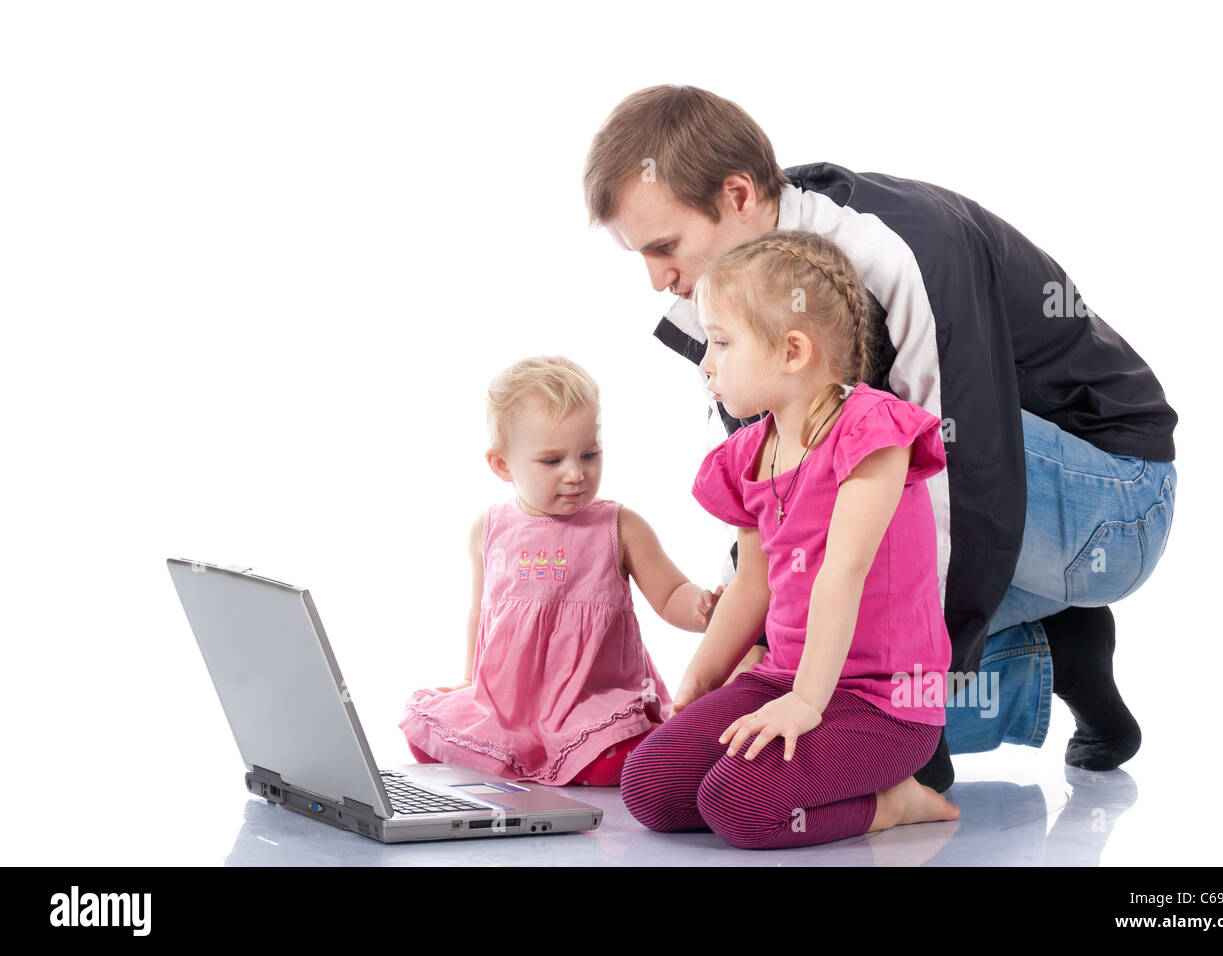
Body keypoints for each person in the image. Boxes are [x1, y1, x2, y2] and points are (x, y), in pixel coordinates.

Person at [583, 85, 1178, 790]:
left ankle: (966, 692)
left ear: (738, 194)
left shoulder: (900, 250)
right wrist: (751, 647)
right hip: (980, 503)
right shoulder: (725, 291)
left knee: (851, 666)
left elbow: (964, 476)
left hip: (1112, 498)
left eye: (664, 247)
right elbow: (777, 494)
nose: (657, 280)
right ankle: (1057, 654)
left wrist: (919, 710)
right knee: (791, 686)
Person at [621, 229, 960, 850]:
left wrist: (807, 703)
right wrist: (699, 683)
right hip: (784, 678)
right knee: (650, 784)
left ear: (793, 350)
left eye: (721, 342)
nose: (707, 363)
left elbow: (842, 572)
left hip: (882, 702)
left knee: (740, 808)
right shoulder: (746, 454)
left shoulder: (872, 431)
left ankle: (892, 802)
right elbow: (753, 585)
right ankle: (798, 768)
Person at [398, 356, 724, 786]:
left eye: (589, 454)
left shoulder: (619, 526)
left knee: (616, 764)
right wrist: (469, 678)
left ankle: (591, 757)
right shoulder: (489, 529)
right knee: (425, 736)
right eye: (552, 461)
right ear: (502, 465)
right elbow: (481, 614)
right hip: (511, 706)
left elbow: (669, 593)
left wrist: (701, 607)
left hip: (589, 702)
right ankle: (508, 749)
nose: (576, 474)